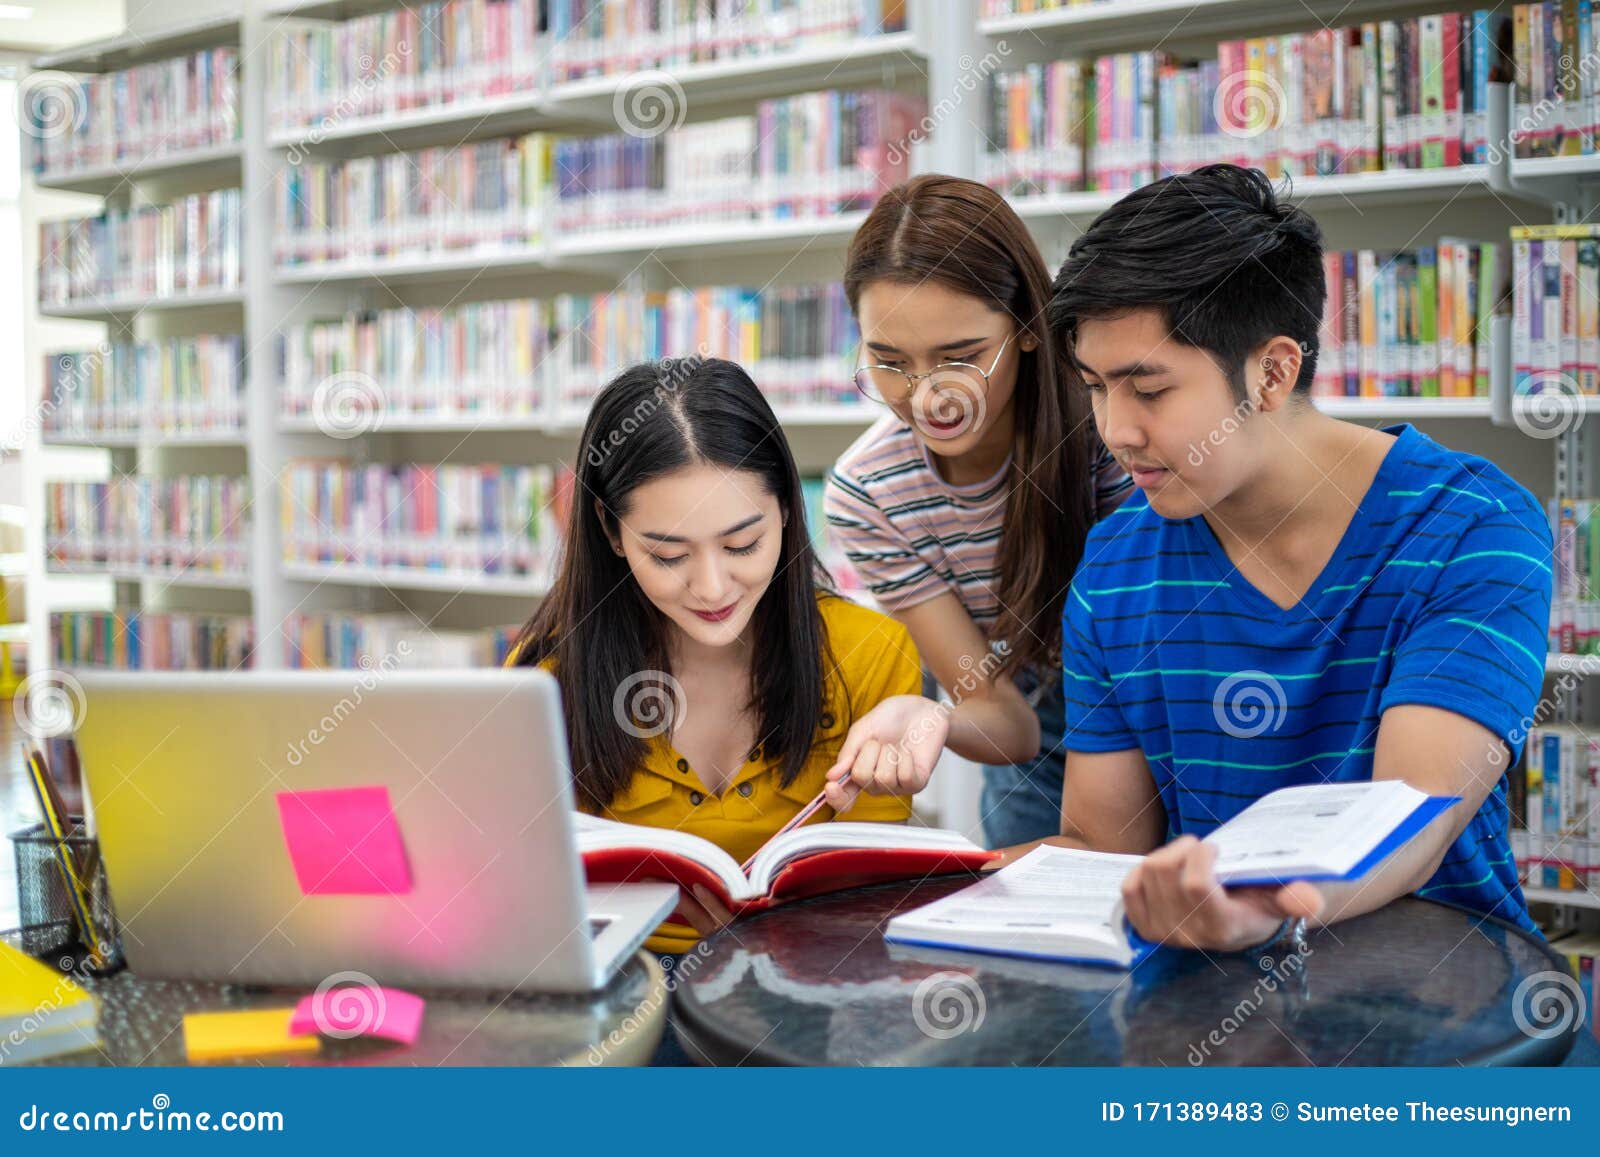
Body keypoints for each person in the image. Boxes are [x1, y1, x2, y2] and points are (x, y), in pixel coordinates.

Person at [1033, 162, 1551, 950]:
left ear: (1273, 371)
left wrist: (1270, 906)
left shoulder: (1473, 527)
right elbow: (1106, 850)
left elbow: (1409, 817)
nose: (1115, 430)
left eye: (1149, 389)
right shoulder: (1114, 565)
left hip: (1444, 1006)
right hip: (1201, 1004)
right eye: (1095, 387)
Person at [509, 356, 922, 956]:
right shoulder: (545, 681)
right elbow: (526, 893)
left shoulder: (869, 654)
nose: (711, 588)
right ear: (611, 531)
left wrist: (774, 942)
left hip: (813, 974)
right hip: (624, 976)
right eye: (670, 555)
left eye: (742, 544)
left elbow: (870, 898)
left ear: (785, 507)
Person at [820, 174, 1131, 846]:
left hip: (1157, 707)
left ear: (1026, 327)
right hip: (1035, 720)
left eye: (960, 357)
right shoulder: (869, 490)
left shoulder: (1112, 432)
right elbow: (1003, 717)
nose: (930, 396)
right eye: (889, 361)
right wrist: (930, 717)